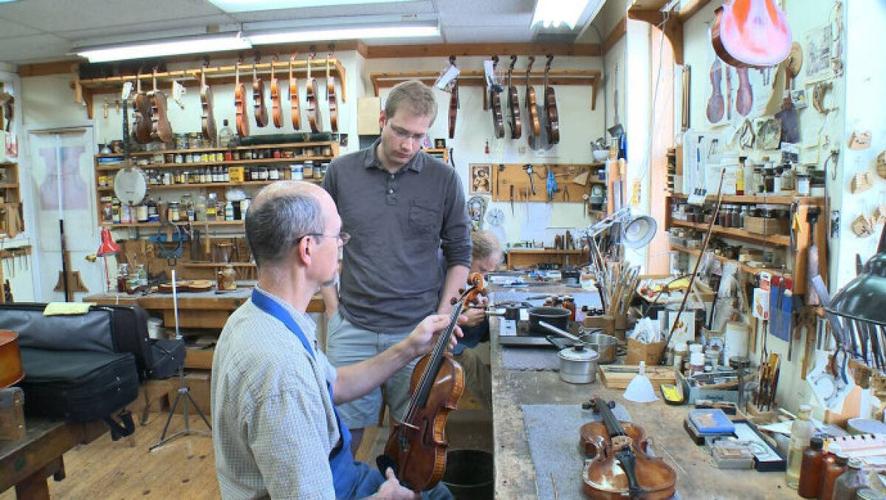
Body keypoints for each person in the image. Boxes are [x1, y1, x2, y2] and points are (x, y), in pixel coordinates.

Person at [211, 181, 458, 499]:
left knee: (435, 491)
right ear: (307, 249)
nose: (343, 245)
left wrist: (409, 347)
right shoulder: (280, 369)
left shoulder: (259, 316)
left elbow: (335, 385)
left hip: (337, 476)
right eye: (338, 235)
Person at [321, 80, 471, 451]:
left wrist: (440, 319)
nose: (408, 145)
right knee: (342, 438)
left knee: (412, 440)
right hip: (353, 328)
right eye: (401, 131)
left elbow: (460, 254)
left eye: (418, 136)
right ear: (382, 119)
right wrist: (332, 309)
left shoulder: (444, 180)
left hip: (417, 331)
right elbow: (319, 241)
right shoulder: (341, 173)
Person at [451, 230, 503, 408]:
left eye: (487, 273)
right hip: (436, 342)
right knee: (471, 362)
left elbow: (465, 296)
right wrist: (461, 318)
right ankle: (500, 411)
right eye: (481, 269)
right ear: (469, 256)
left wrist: (476, 299)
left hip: (454, 332)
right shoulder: (448, 272)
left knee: (498, 330)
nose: (482, 277)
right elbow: (431, 317)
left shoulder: (471, 275)